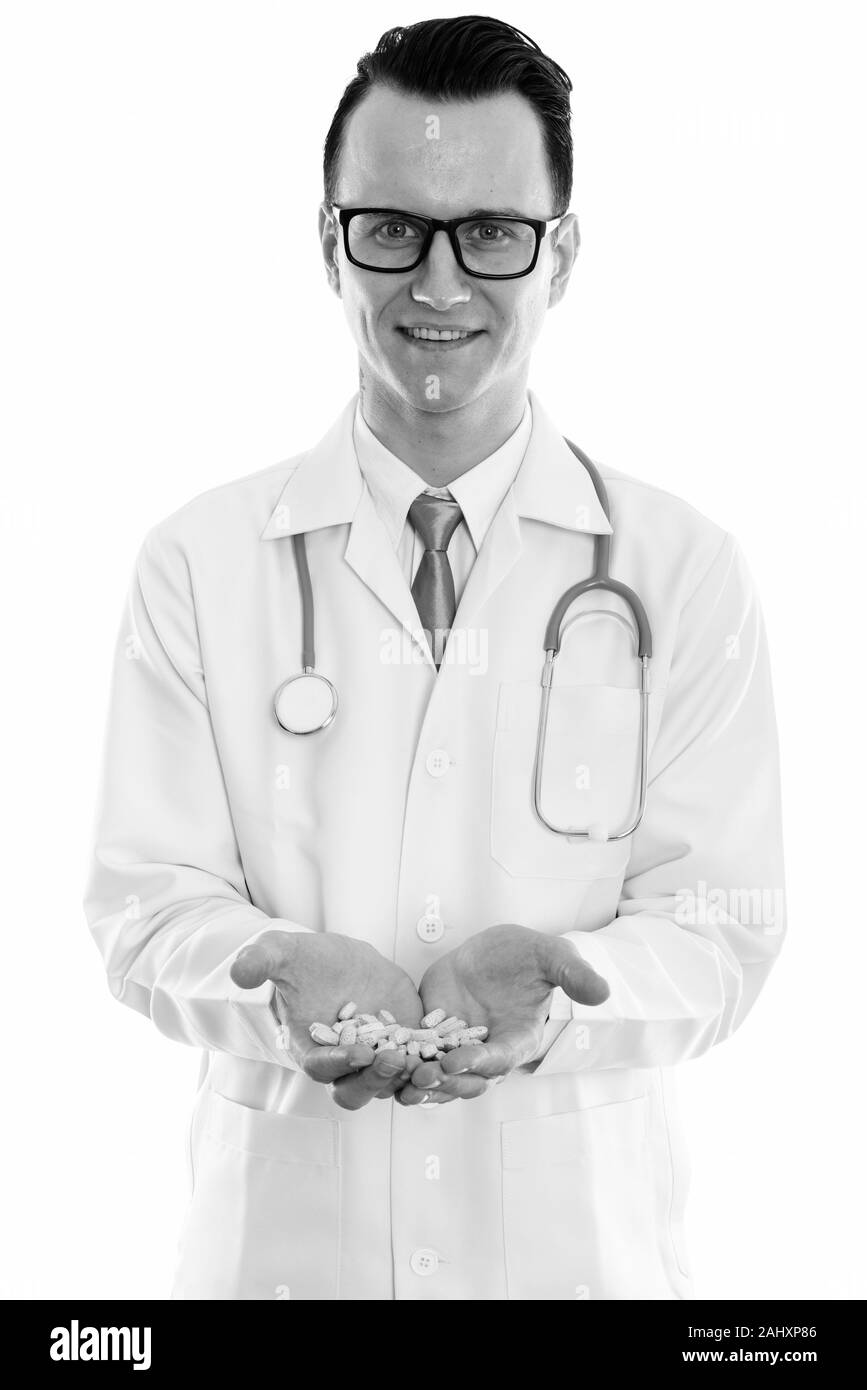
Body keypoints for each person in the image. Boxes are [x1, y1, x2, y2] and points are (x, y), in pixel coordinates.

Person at [84, 15, 786, 1300]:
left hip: (578, 1268)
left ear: (561, 253)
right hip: (281, 1267)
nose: (442, 284)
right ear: (329, 243)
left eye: (495, 233)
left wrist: (569, 1000)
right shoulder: (198, 560)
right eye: (393, 228)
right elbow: (142, 905)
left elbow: (720, 927)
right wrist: (270, 977)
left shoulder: (683, 569)